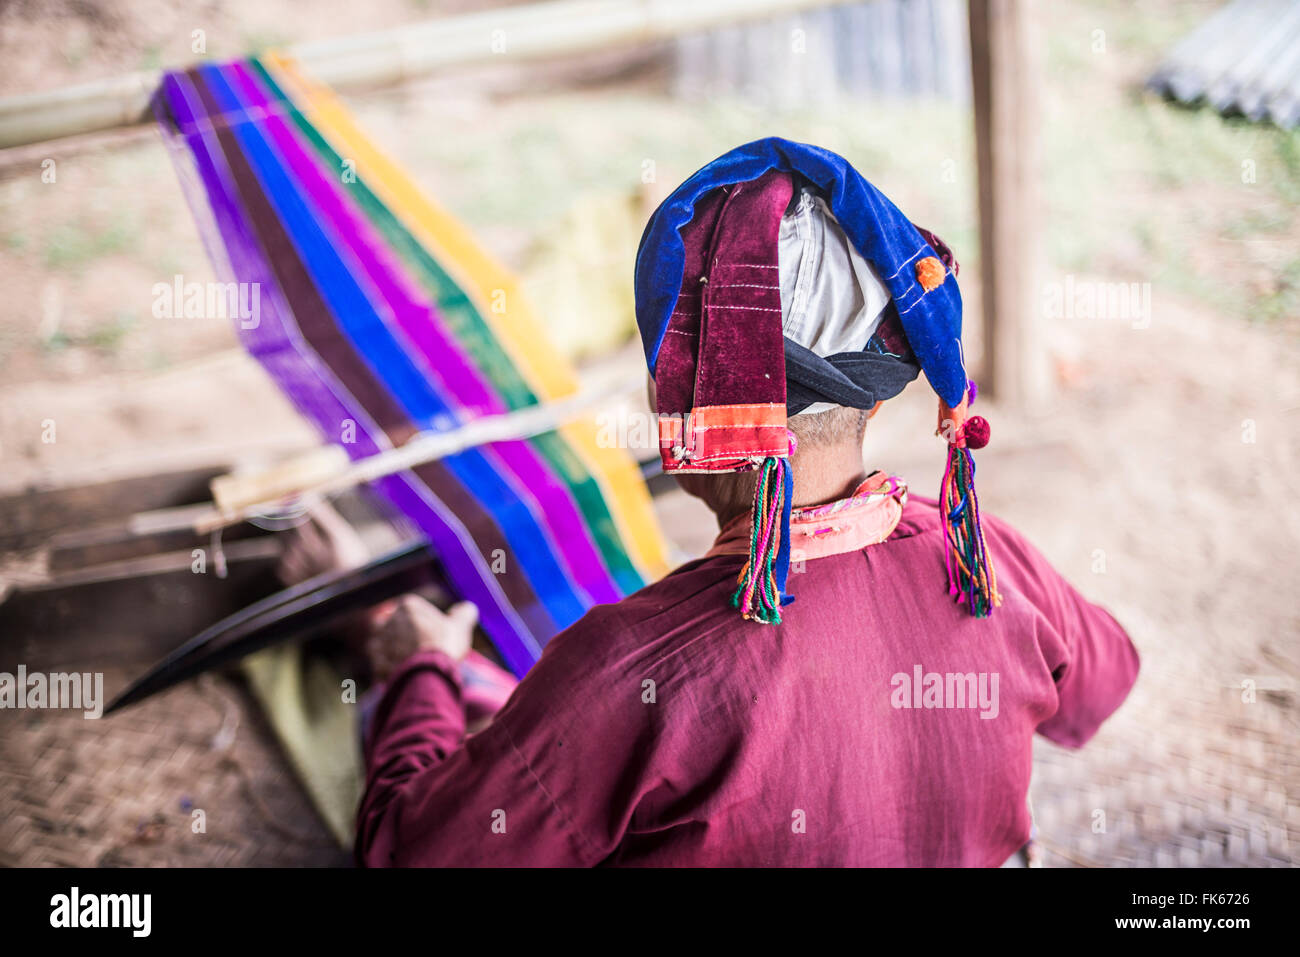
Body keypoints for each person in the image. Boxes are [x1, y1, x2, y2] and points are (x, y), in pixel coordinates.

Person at [343, 139, 1139, 866]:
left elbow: (406, 852)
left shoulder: (627, 672)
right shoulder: (992, 564)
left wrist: (419, 670)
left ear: (679, 407)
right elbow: (1103, 684)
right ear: (879, 394)